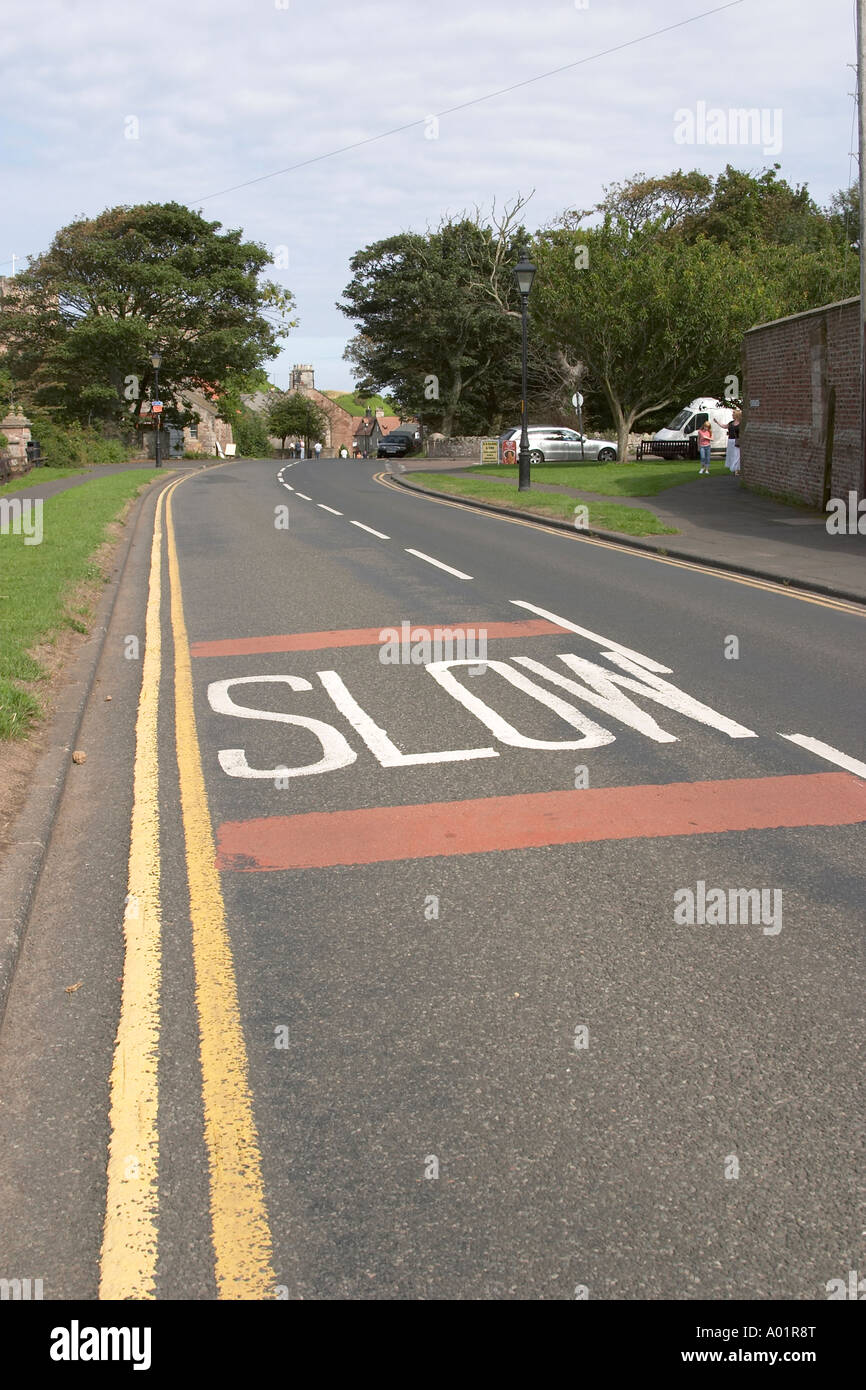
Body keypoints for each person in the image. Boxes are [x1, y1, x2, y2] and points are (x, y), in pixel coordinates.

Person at [725, 408, 741, 476]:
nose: (732, 415)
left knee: (737, 455)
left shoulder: (741, 423)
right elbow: (725, 426)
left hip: (737, 441)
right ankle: (734, 470)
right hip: (730, 441)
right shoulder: (731, 423)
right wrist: (717, 422)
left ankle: (736, 469)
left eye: (733, 414)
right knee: (731, 455)